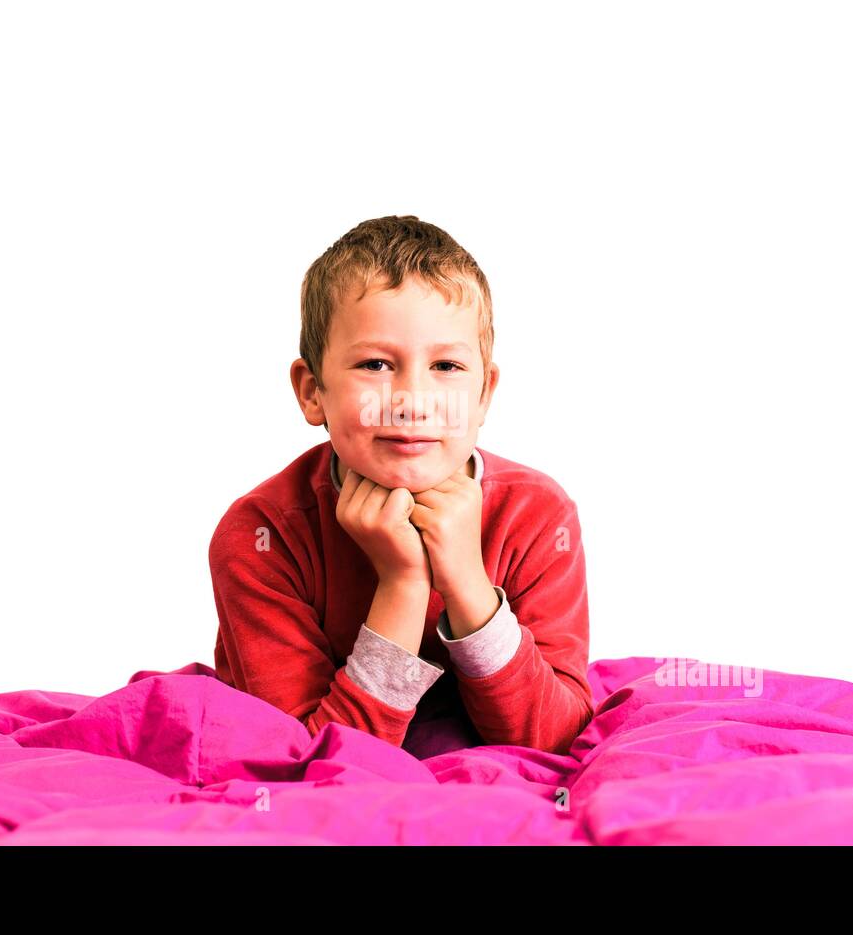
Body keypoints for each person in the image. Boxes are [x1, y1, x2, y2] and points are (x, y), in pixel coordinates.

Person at [208, 215, 593, 757]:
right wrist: (403, 584)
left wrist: (468, 585)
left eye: (446, 365)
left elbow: (552, 740)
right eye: (375, 363)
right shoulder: (262, 534)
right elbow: (307, 762)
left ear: (484, 393)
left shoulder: (538, 516)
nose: (413, 400)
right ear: (312, 391)